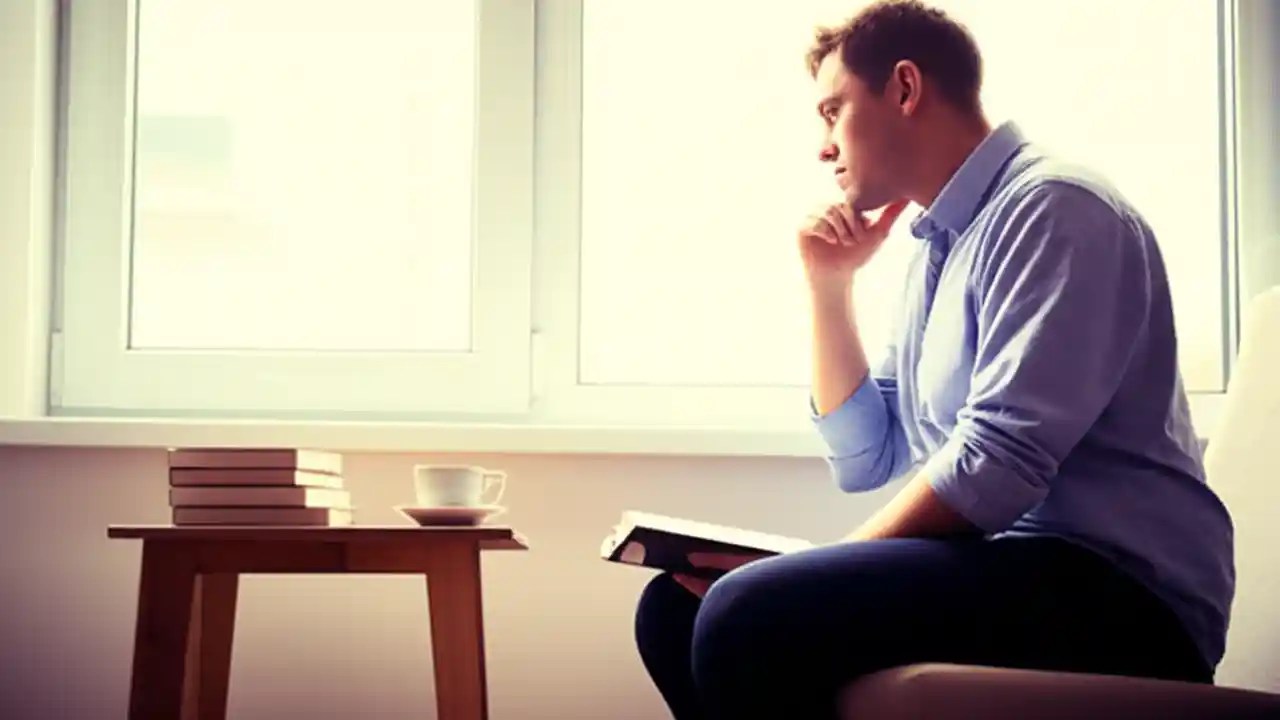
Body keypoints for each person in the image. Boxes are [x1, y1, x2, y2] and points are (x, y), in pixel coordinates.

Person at [631, 2, 1236, 719]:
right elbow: (867, 453)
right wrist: (830, 287)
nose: (824, 146)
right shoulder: (941, 249)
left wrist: (816, 570)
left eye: (833, 111)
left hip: (1121, 595)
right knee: (673, 606)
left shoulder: (1055, 209)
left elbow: (998, 461)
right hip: (1006, 564)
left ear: (906, 88)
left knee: (744, 612)